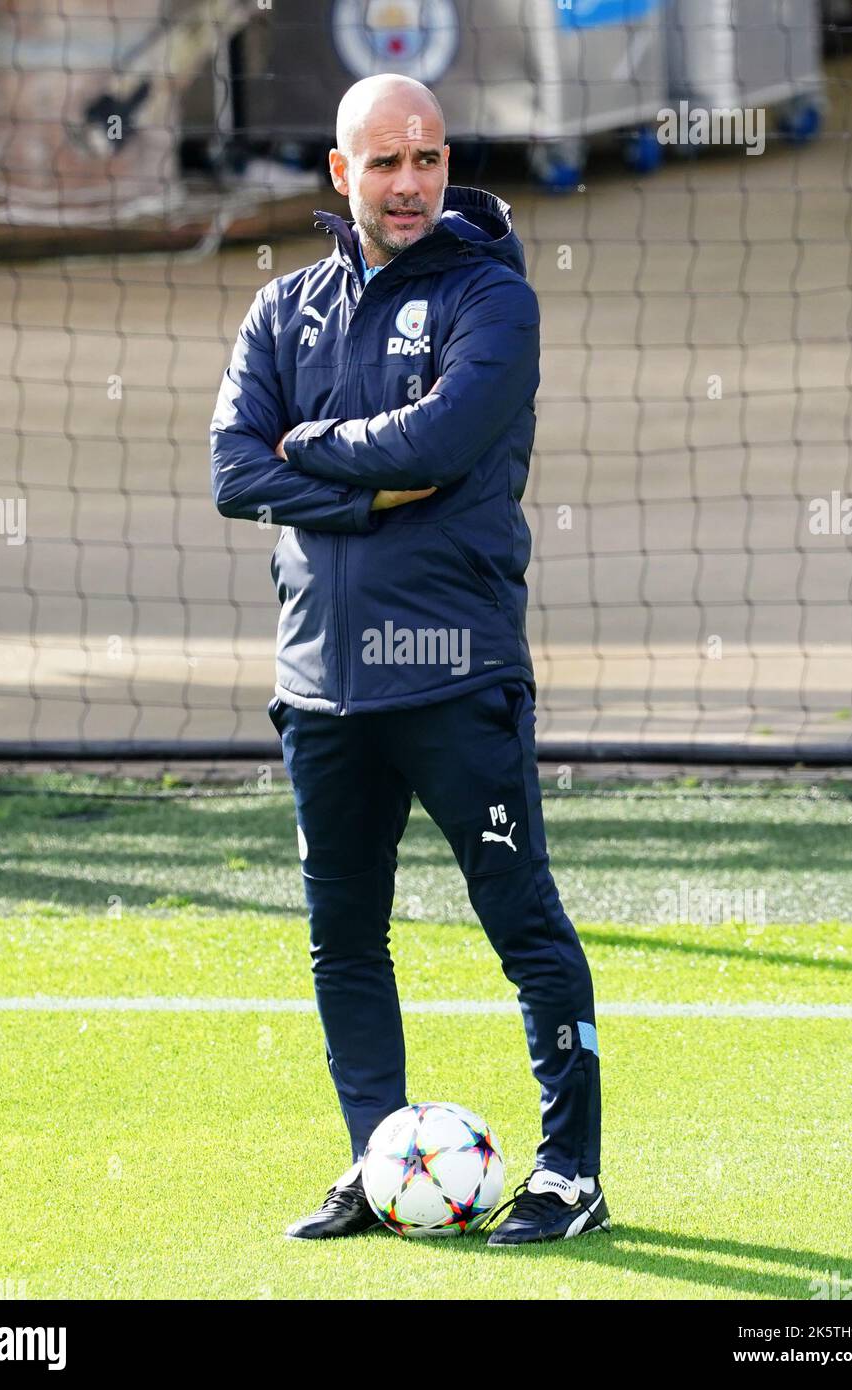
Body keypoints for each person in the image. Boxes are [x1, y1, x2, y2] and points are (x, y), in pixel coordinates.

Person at [210, 73, 607, 1245]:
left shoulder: (493, 299)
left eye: (427, 159)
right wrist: (363, 487)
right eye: (384, 163)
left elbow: (441, 438)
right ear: (341, 173)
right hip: (319, 685)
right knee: (344, 935)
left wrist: (315, 446)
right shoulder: (283, 311)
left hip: (451, 669)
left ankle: (571, 1173)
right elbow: (234, 472)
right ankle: (378, 1160)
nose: (410, 183)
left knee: (520, 919)